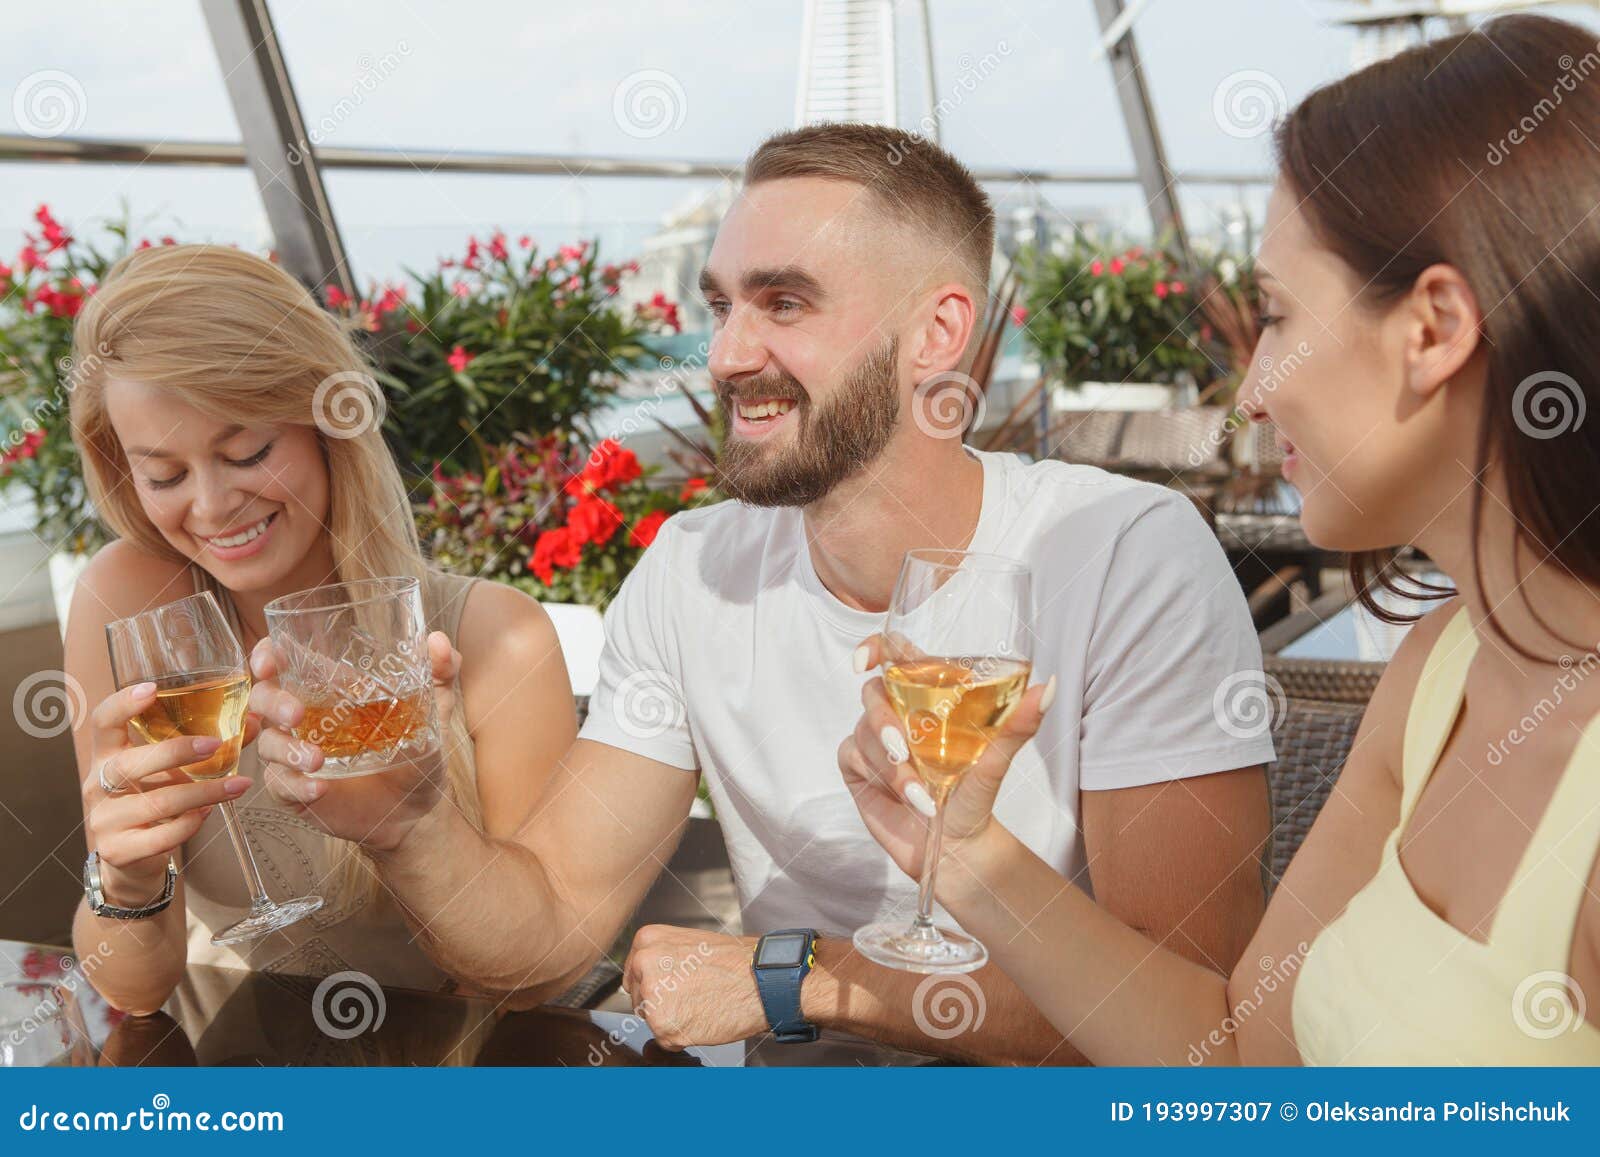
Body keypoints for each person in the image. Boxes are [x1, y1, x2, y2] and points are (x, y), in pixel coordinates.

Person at [248, 123, 1273, 1064]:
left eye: (784, 302)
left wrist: (802, 977)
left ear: (937, 332)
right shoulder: (692, 569)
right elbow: (547, 933)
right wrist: (412, 828)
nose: (728, 356)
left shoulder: (1124, 555)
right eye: (721, 306)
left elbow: (1197, 1022)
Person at [839, 13, 1600, 1064]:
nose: (1249, 392)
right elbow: (1238, 1055)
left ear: (1431, 329)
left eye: (1275, 317)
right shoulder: (1442, 672)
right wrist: (963, 853)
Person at [66, 245, 575, 1013]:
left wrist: (413, 830)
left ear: (326, 423)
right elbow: (133, 990)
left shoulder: (498, 636)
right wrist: (129, 881)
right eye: (164, 474)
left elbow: (537, 979)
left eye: (247, 452)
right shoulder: (129, 600)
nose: (211, 506)